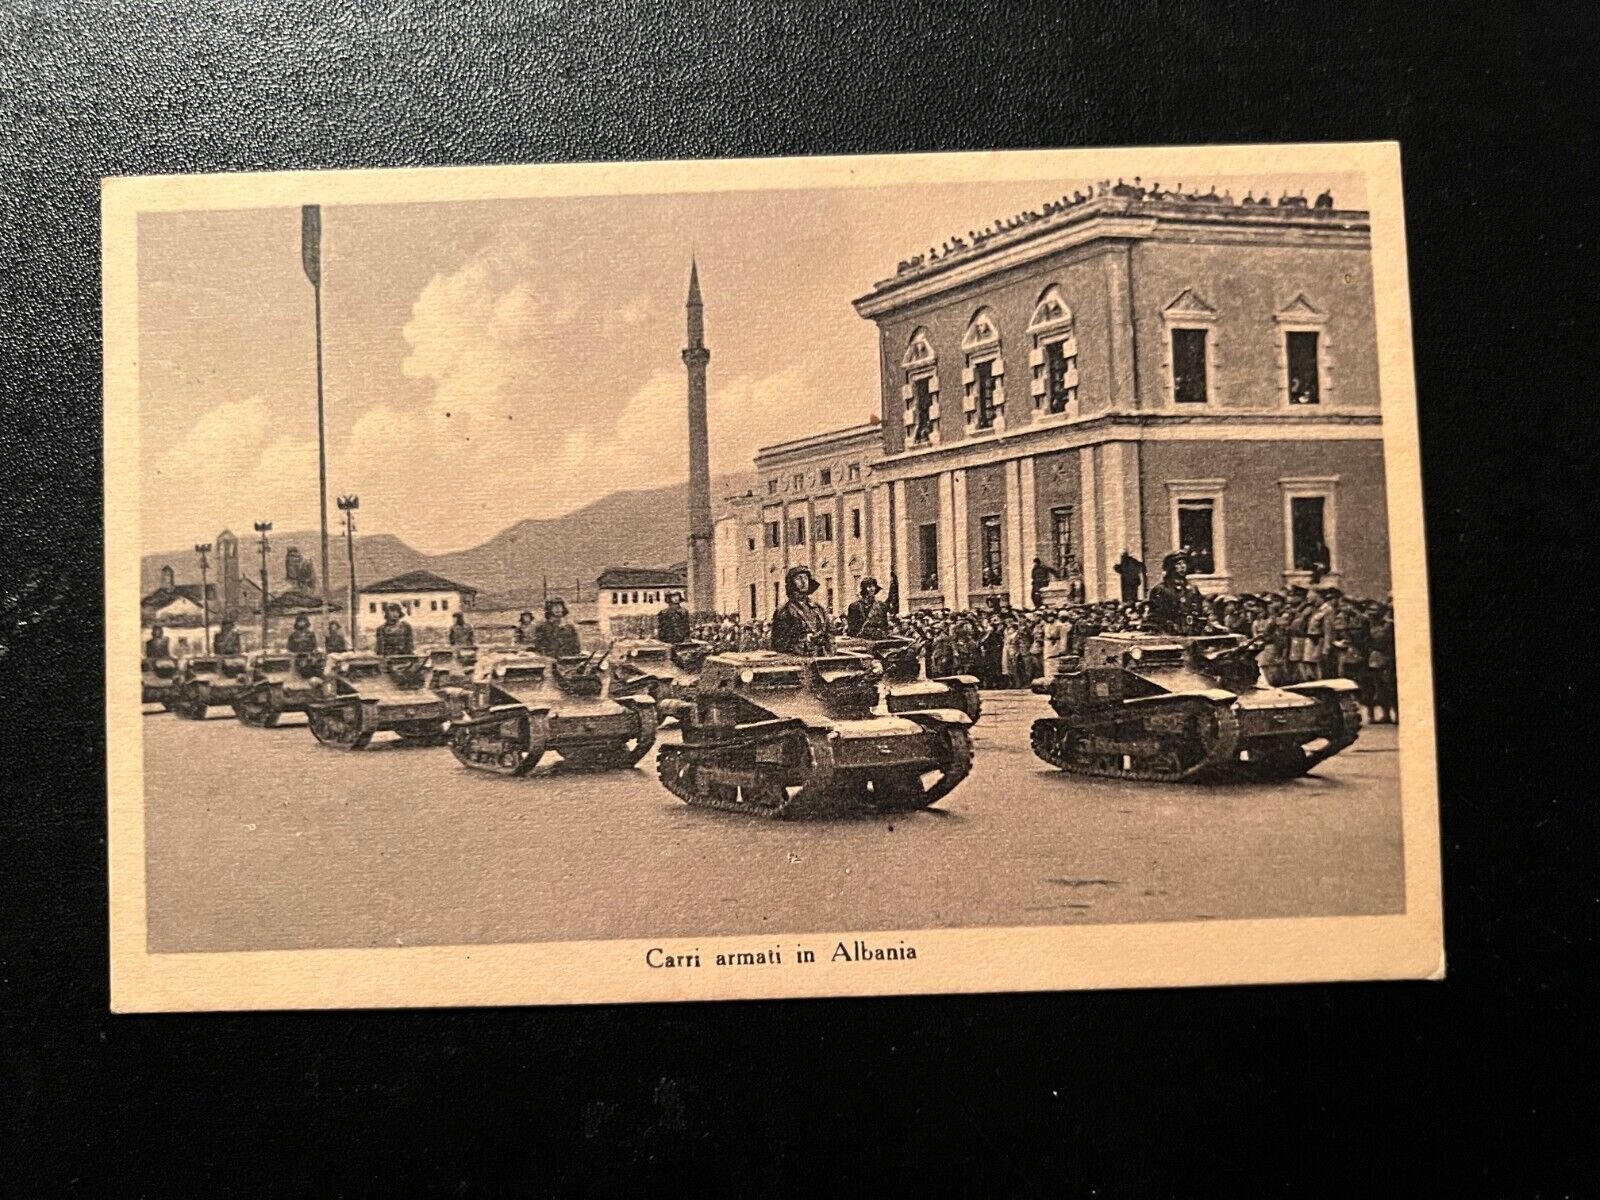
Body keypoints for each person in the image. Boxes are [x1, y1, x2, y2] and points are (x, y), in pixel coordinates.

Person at [769, 566, 832, 655]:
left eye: (806, 578)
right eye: (799, 578)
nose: (803, 582)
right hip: (799, 659)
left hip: (822, 657)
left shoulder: (819, 608)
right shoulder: (784, 611)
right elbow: (779, 644)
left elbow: (830, 633)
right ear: (791, 583)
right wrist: (804, 640)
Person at [1145, 553, 1199, 635]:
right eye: (1178, 564)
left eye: (1184, 563)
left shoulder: (1192, 589)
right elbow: (1154, 616)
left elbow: (1200, 609)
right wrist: (1169, 625)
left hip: (1191, 631)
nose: (1183, 566)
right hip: (1169, 633)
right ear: (1170, 567)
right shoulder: (1160, 589)